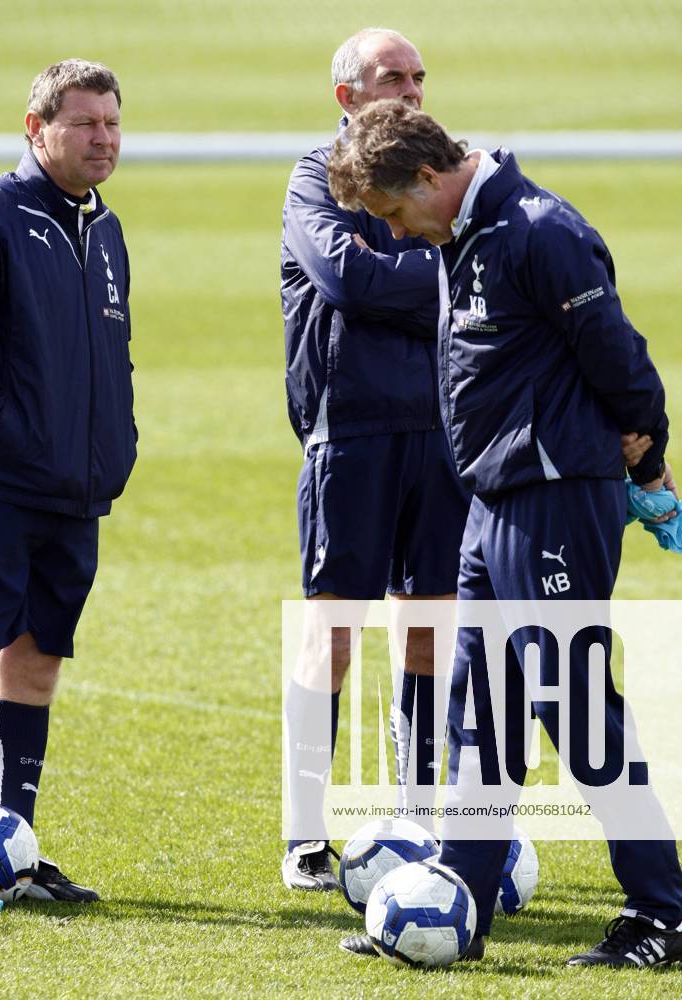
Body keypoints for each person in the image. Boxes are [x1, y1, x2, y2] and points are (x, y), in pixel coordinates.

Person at [326, 99, 682, 968]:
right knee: (478, 717)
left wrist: (645, 457)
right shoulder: (463, 236)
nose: (395, 230)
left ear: (427, 177)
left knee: (573, 705)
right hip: (494, 502)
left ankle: (661, 915)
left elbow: (620, 357)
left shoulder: (538, 230)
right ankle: (460, 905)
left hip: (555, 497)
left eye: (390, 210)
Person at [281, 29, 471, 892]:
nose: (412, 87)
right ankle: (302, 829)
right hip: (348, 430)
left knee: (431, 631)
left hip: (442, 432)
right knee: (332, 636)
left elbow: (477, 281)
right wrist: (428, 273)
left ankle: (416, 816)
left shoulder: (444, 170)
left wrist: (401, 271)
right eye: (393, 75)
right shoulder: (313, 176)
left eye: (419, 76)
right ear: (346, 96)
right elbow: (349, 283)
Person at [0, 59, 137, 901]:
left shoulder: (107, 228)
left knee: (36, 664)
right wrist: (1, 436)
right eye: (84, 123)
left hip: (76, 490)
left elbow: (113, 356)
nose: (103, 138)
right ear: (37, 130)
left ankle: (9, 849)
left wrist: (115, 445)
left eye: (111, 122)